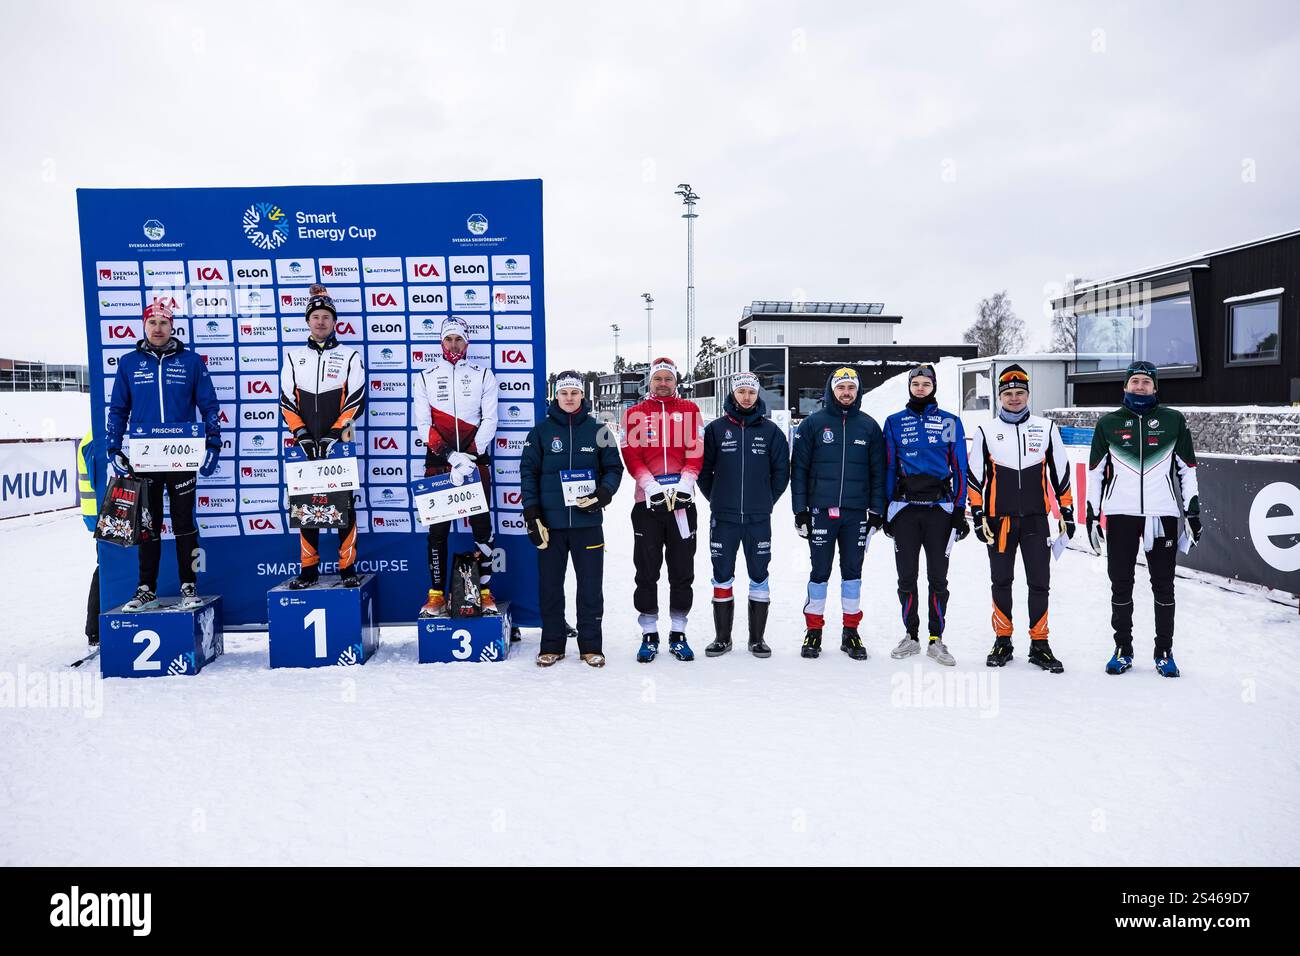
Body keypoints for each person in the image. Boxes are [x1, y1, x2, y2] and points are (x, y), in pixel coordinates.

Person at [1086, 360, 1202, 678]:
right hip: (1121, 514)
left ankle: (1164, 652)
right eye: (1134, 381)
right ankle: (1123, 649)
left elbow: (1187, 470)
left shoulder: (1173, 421)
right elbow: (1095, 473)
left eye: (1145, 382)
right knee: (1121, 586)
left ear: (1155, 387)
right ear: (1125, 386)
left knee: (1163, 586)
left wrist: (1192, 510)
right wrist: (1091, 513)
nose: (1140, 386)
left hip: (1161, 514)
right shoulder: (1108, 423)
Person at [106, 298, 221, 612]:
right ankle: (146, 589)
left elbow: (209, 406)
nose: (158, 329)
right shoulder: (129, 362)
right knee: (148, 524)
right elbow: (118, 410)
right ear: (144, 326)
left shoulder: (191, 362)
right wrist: (113, 447)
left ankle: (189, 585)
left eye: (164, 323)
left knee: (186, 523)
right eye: (152, 323)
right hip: (146, 459)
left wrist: (214, 443)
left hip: (182, 458)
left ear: (172, 327)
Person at [966, 364, 1074, 672]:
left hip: (1036, 520)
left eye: (1020, 393)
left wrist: (1066, 511)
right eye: (1009, 393)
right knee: (1001, 580)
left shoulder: (1046, 427)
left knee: (1039, 582)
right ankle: (1003, 639)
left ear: (1028, 395)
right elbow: (975, 478)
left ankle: (1040, 643)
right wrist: (977, 514)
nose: (1014, 398)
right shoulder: (986, 431)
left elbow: (1061, 473)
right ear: (1000, 397)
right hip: (999, 521)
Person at [520, 371, 623, 667]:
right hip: (550, 526)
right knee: (550, 586)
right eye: (564, 393)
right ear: (556, 396)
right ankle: (552, 644)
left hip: (587, 524)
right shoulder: (540, 432)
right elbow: (529, 473)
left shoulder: (600, 429)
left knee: (590, 587)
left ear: (582, 397)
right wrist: (532, 514)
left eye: (574, 393)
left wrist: (603, 494)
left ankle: (591, 646)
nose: (569, 398)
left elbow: (614, 469)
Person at [789, 367, 886, 660]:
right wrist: (800, 510)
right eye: (841, 387)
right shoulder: (813, 424)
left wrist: (877, 510)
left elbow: (878, 472)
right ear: (831, 390)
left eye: (851, 388)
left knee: (852, 574)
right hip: (820, 511)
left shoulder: (869, 426)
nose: (846, 393)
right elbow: (800, 470)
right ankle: (814, 631)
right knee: (820, 573)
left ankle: (851, 632)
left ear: (858, 392)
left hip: (856, 513)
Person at [279, 284, 367, 588]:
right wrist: (300, 433)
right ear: (308, 321)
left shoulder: (350, 356)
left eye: (326, 317)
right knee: (305, 506)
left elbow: (356, 399)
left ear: (334, 322)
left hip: (339, 443)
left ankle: (347, 568)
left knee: (344, 506)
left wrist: (333, 433)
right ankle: (308, 569)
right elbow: (286, 401)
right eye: (315, 316)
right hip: (304, 443)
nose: (320, 322)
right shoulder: (292, 357)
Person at [697, 371, 790, 657]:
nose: (746, 397)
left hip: (758, 519)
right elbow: (703, 471)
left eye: (751, 392)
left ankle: (757, 639)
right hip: (723, 519)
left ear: (757, 394)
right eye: (741, 392)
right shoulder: (715, 429)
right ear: (733, 393)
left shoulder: (771, 431)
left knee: (759, 575)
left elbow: (781, 473)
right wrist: (717, 498)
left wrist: (764, 501)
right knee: (722, 575)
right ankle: (722, 638)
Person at [882, 364, 969, 665]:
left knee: (938, 579)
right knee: (906, 577)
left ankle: (936, 639)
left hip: (939, 512)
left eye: (925, 384)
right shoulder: (894, 422)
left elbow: (959, 469)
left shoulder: (949, 422)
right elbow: (890, 467)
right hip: (905, 510)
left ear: (934, 387)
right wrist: (886, 508)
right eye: (915, 383)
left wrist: (960, 510)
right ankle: (911, 636)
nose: (920, 388)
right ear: (909, 386)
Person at [414, 317, 500, 617]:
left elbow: (490, 420)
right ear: (441, 343)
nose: (454, 345)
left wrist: (470, 456)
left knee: (482, 530)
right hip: (440, 462)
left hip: (476, 461)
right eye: (448, 339)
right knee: (437, 532)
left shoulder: (483, 374)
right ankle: (436, 595)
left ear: (467, 343)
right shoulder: (424, 376)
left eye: (458, 340)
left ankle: (485, 592)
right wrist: (453, 457)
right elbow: (423, 425)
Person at [620, 357, 705, 662]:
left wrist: (686, 483)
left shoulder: (690, 411)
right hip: (648, 503)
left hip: (682, 503)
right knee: (646, 568)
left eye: (669, 378)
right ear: (650, 381)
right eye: (659, 379)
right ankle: (649, 632)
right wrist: (650, 486)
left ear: (676, 381)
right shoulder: (634, 414)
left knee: (682, 569)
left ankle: (679, 631)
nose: (664, 383)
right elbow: (631, 454)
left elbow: (696, 450)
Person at [78, 429, 100, 646]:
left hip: (102, 513)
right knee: (105, 569)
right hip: (103, 514)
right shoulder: (95, 438)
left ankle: (94, 629)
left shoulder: (93, 435)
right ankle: (94, 630)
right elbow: (100, 478)